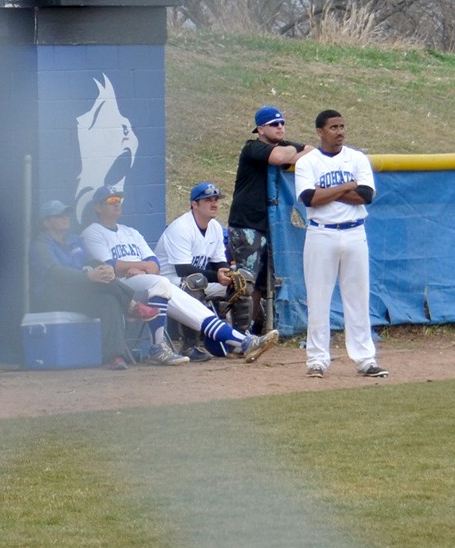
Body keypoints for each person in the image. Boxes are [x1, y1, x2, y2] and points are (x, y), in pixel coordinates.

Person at [82, 186, 278, 365]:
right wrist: (139, 267)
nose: (116, 203)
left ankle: (242, 341)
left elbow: (154, 265)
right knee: (174, 283)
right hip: (124, 287)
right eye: (110, 200)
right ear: (98, 208)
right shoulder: (93, 232)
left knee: (236, 282)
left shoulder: (130, 232)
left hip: (151, 282)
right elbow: (110, 267)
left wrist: (138, 268)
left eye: (118, 199)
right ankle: (162, 347)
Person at [294, 109, 383, 379]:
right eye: (334, 127)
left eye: (342, 126)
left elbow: (365, 195)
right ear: (320, 132)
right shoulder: (307, 162)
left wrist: (328, 193)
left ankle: (365, 359)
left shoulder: (356, 158)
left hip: (355, 233)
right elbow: (309, 198)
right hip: (321, 234)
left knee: (357, 298)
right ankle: (317, 360)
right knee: (318, 299)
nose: (340, 131)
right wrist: (346, 186)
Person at [229, 105, 312, 332]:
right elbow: (277, 158)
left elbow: (312, 150)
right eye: (274, 124)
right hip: (246, 224)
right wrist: (291, 154)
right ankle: (236, 334)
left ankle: (248, 332)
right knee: (245, 282)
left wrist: (290, 153)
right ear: (260, 128)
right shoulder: (252, 147)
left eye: (283, 123)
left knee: (264, 284)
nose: (280, 127)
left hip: (270, 225)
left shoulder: (283, 146)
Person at [30, 200, 131, 370]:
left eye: (66, 215)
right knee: (97, 283)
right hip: (53, 296)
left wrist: (104, 268)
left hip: (79, 293)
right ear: (47, 222)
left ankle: (115, 357)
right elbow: (55, 274)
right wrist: (88, 277)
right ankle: (131, 303)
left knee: (108, 300)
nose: (65, 218)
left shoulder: (74, 240)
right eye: (59, 216)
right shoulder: (40, 244)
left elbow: (90, 260)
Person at [156, 182, 249, 360]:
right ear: (194, 204)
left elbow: (219, 261)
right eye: (208, 200)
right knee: (195, 283)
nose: (214, 204)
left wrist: (228, 274)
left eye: (216, 199)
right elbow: (183, 269)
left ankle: (239, 341)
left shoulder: (214, 227)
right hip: (170, 283)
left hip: (198, 279)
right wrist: (217, 276)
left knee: (243, 283)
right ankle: (189, 347)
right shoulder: (181, 227)